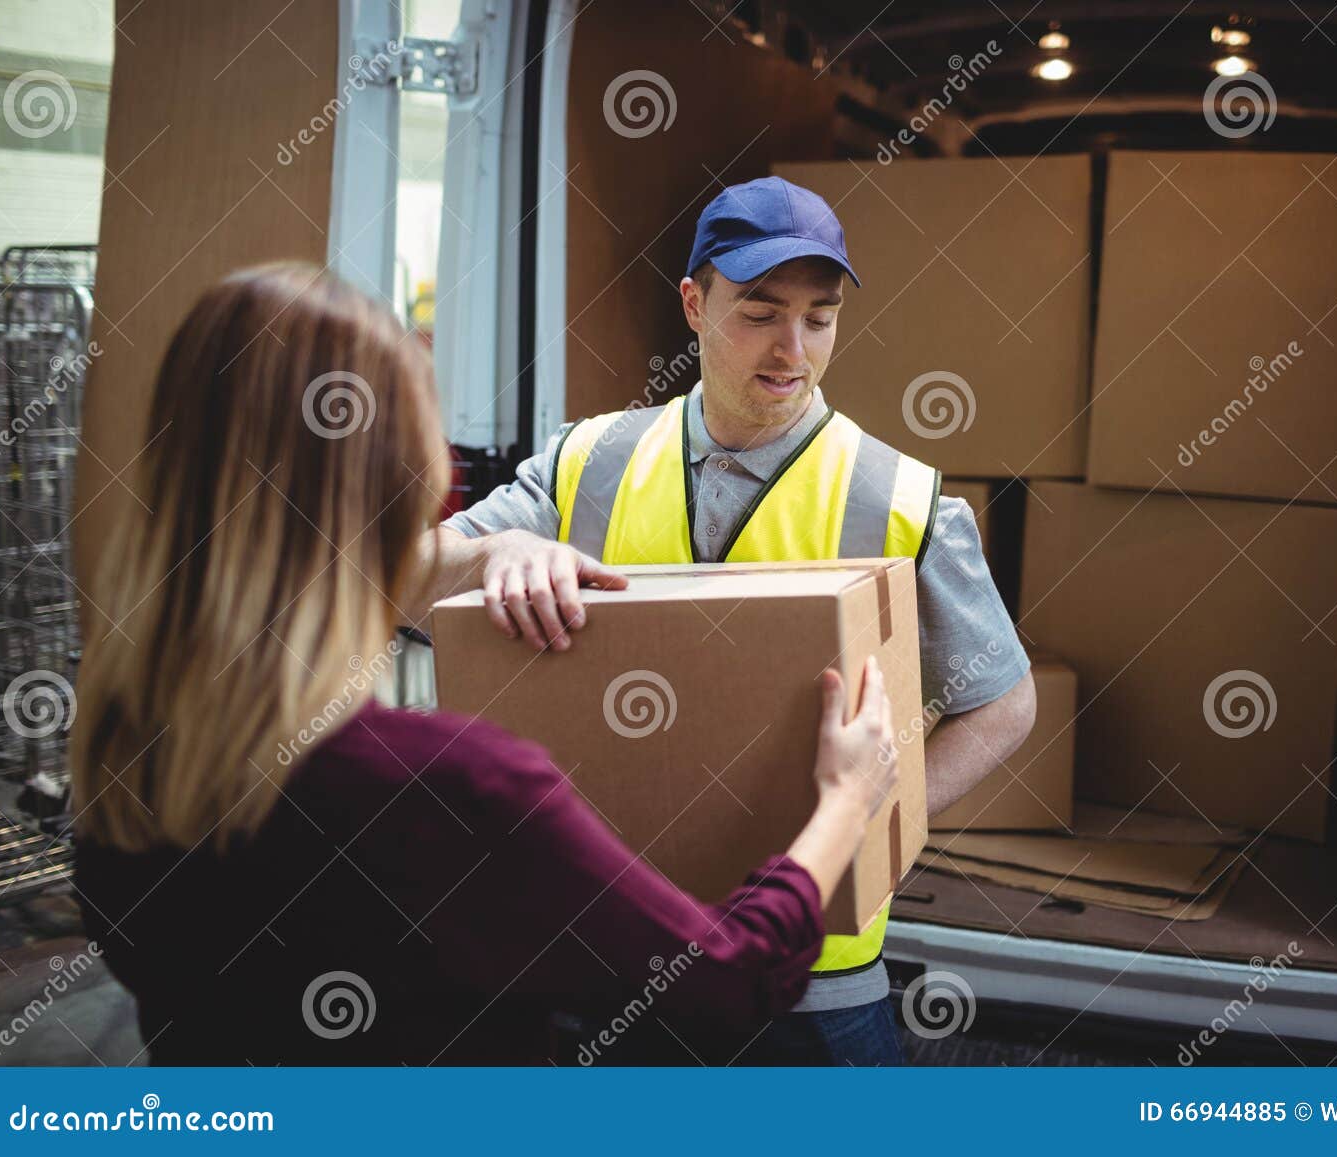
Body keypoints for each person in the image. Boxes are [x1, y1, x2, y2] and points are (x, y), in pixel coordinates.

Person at [67, 263, 898, 1065]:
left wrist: (499, 546)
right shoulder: (458, 789)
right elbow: (725, 977)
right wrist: (844, 803)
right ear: (416, 478)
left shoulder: (122, 757)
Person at [414, 176, 1038, 1065]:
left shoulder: (899, 498)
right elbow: (391, 584)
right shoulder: (589, 461)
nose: (794, 349)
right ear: (694, 304)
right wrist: (487, 555)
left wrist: (879, 819)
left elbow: (1005, 703)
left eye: (819, 317)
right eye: (760, 311)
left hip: (816, 990)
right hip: (613, 960)